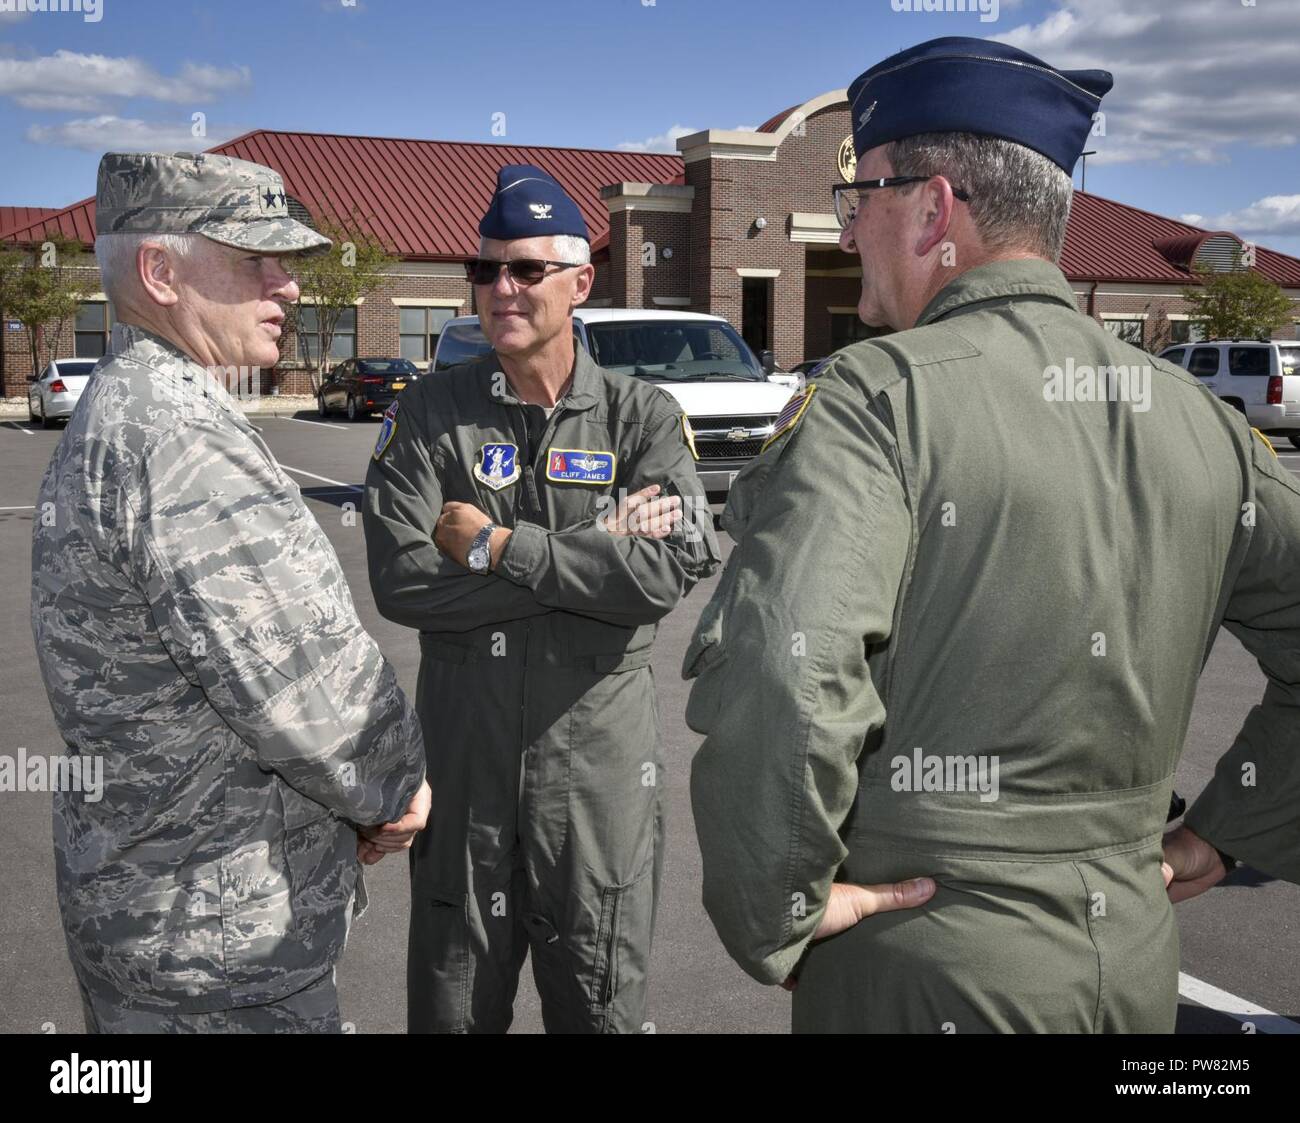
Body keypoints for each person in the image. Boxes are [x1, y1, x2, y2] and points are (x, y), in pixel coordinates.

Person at [685, 36, 1300, 1032]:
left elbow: (788, 670)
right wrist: (1226, 832)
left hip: (923, 966)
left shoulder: (874, 399)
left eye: (859, 202)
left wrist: (777, 909)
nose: (846, 238)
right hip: (1131, 968)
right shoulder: (1204, 425)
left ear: (932, 208)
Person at [31, 151, 429, 1033]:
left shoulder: (128, 406)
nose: (288, 284)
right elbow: (303, 684)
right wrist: (396, 789)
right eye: (257, 259)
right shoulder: (177, 433)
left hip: (153, 920)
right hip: (219, 952)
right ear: (160, 272)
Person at [364, 164, 720, 1033]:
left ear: (580, 281)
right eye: (486, 271)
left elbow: (664, 573)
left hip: (595, 782)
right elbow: (402, 580)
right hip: (467, 770)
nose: (502, 289)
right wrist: (593, 559)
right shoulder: (431, 414)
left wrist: (498, 547)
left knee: (598, 1006)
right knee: (453, 1010)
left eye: (526, 270)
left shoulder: (640, 417)